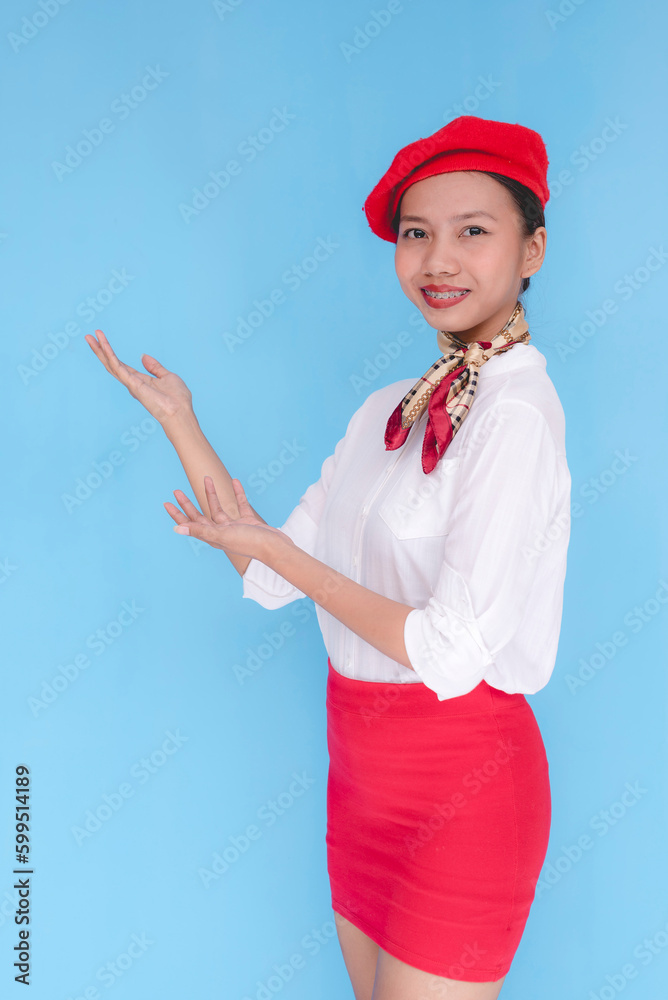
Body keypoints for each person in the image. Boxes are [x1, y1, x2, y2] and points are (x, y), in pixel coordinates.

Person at [85, 114, 571, 1000]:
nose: (438, 259)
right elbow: (272, 573)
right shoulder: (390, 409)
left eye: (473, 232)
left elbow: (447, 650)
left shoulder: (517, 414)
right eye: (417, 235)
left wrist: (290, 562)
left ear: (531, 250)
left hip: (464, 783)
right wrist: (181, 423)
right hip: (360, 781)